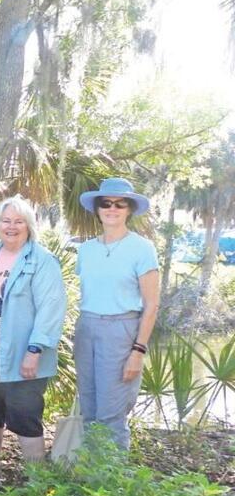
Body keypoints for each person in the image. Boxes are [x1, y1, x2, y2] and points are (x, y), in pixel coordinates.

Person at [0, 195, 66, 494]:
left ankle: (38, 484)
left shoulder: (42, 261)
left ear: (29, 226)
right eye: (6, 221)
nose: (11, 227)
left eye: (18, 221)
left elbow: (51, 308)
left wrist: (34, 350)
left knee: (25, 417)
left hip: (24, 354)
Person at [75, 178, 159, 449]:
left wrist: (138, 351)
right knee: (89, 411)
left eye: (120, 204)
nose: (112, 209)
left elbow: (152, 305)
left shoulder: (142, 248)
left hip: (121, 331)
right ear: (97, 209)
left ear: (129, 209)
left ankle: (114, 485)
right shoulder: (85, 250)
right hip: (86, 328)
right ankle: (92, 484)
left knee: (111, 415)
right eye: (106, 203)